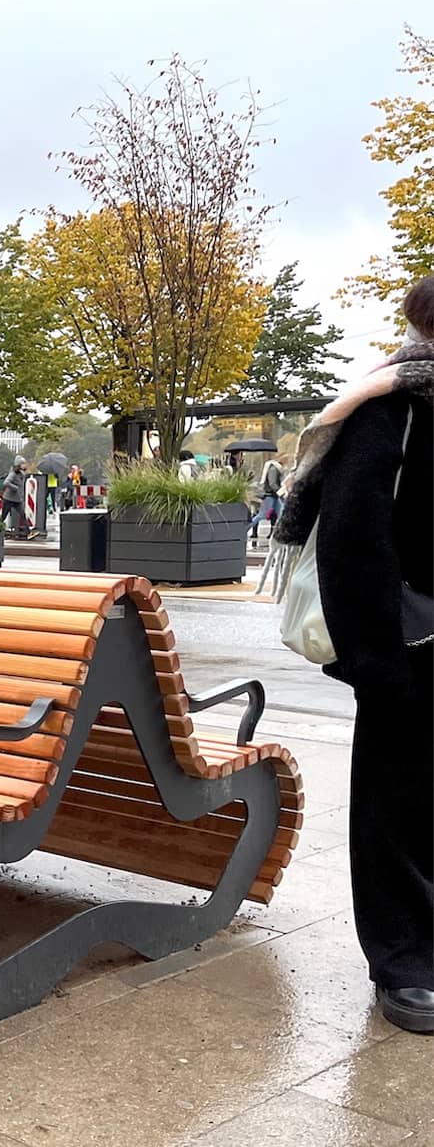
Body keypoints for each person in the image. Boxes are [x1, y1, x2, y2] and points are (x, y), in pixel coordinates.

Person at [276, 275, 434, 1034]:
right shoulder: (388, 408)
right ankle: (405, 961)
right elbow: (350, 539)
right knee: (396, 805)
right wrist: (378, 661)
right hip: (409, 644)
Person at [248, 456, 285, 545]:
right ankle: (246, 528)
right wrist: (281, 492)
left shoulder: (274, 468)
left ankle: (277, 533)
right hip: (270, 495)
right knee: (262, 515)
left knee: (280, 514)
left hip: (273, 496)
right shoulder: (274, 469)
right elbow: (272, 484)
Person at [0, 456, 30, 539]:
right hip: (9, 498)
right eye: (23, 463)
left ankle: (27, 531)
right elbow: (6, 483)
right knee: (4, 515)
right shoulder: (13, 474)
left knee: (22, 514)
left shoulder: (22, 474)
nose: (25, 465)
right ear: (19, 465)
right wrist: (14, 487)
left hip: (17, 499)